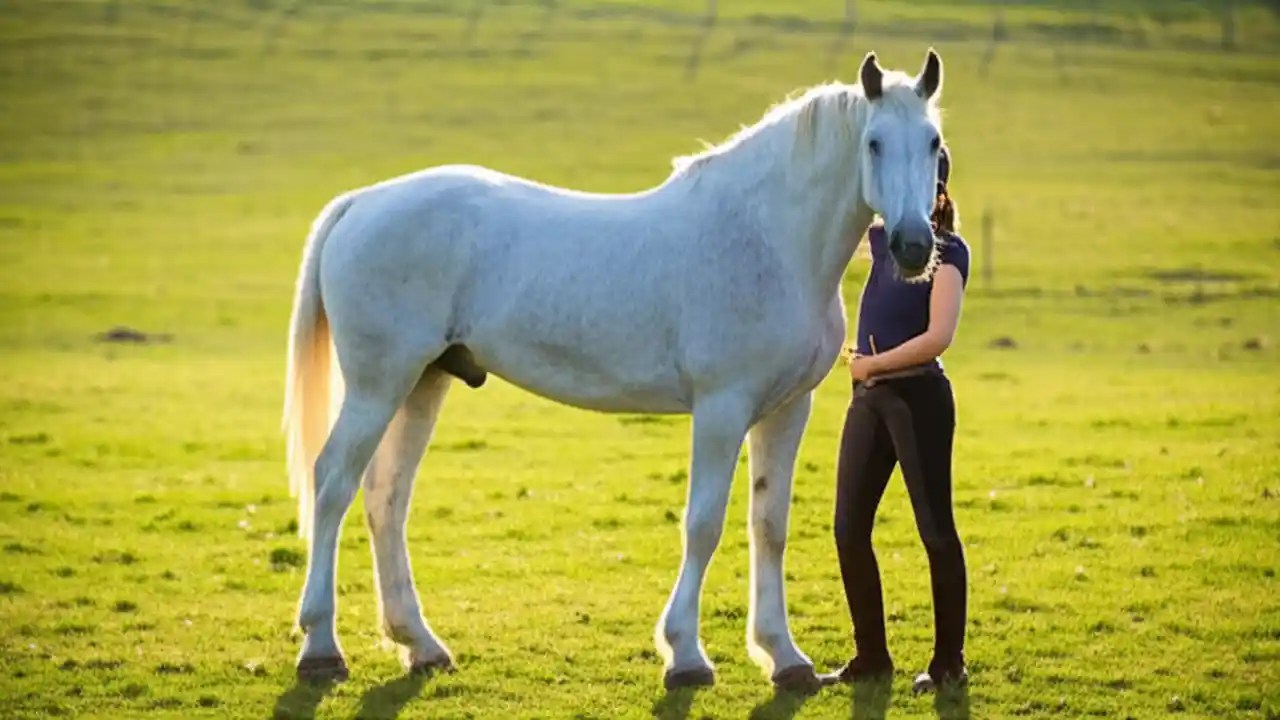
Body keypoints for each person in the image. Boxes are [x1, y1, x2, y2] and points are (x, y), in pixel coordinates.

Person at [822, 146, 970, 693]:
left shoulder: (951, 252)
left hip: (918, 399)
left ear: (939, 192)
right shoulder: (884, 239)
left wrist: (870, 363)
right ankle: (871, 656)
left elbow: (938, 337)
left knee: (935, 530)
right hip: (870, 398)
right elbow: (835, 224)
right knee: (847, 528)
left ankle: (948, 662)